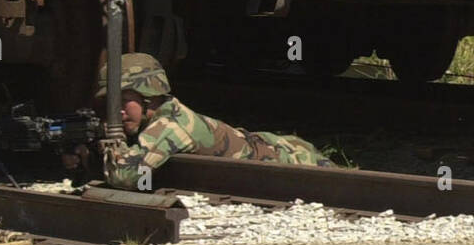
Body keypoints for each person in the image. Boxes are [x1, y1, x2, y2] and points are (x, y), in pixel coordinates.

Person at [95, 53, 332, 190]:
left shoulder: (172, 124)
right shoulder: (159, 121)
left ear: (149, 96)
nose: (117, 112)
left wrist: (110, 145)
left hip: (293, 158)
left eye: (124, 101)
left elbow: (125, 177)